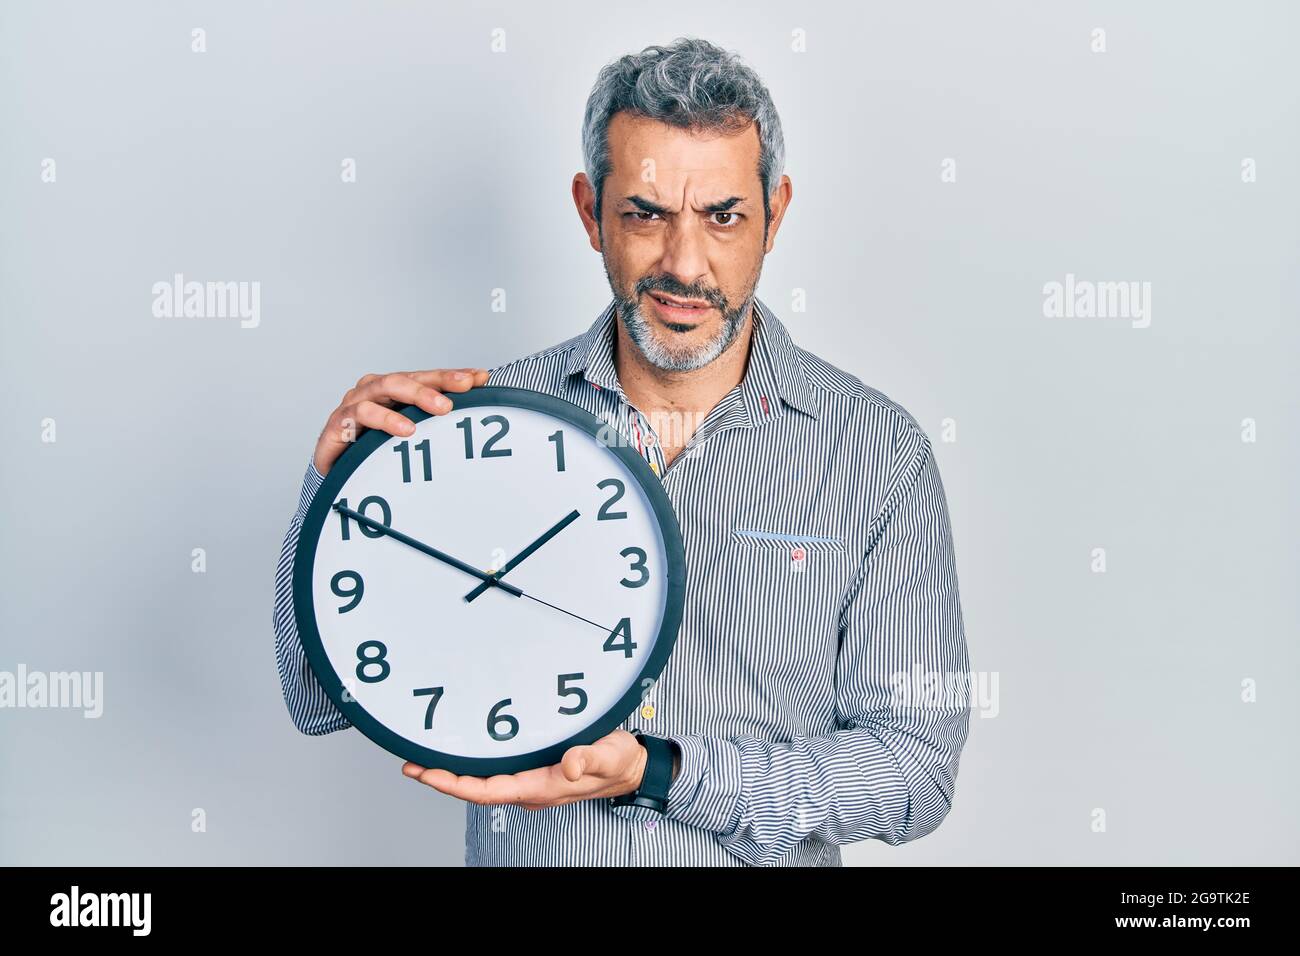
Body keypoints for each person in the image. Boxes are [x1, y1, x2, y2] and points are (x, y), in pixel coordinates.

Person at [274, 36, 971, 867]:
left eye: (723, 217)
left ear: (774, 215)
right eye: (645, 214)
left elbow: (917, 770)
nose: (685, 264)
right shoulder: (467, 430)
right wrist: (333, 490)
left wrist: (664, 772)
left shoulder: (874, 454)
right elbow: (319, 698)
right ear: (589, 211)